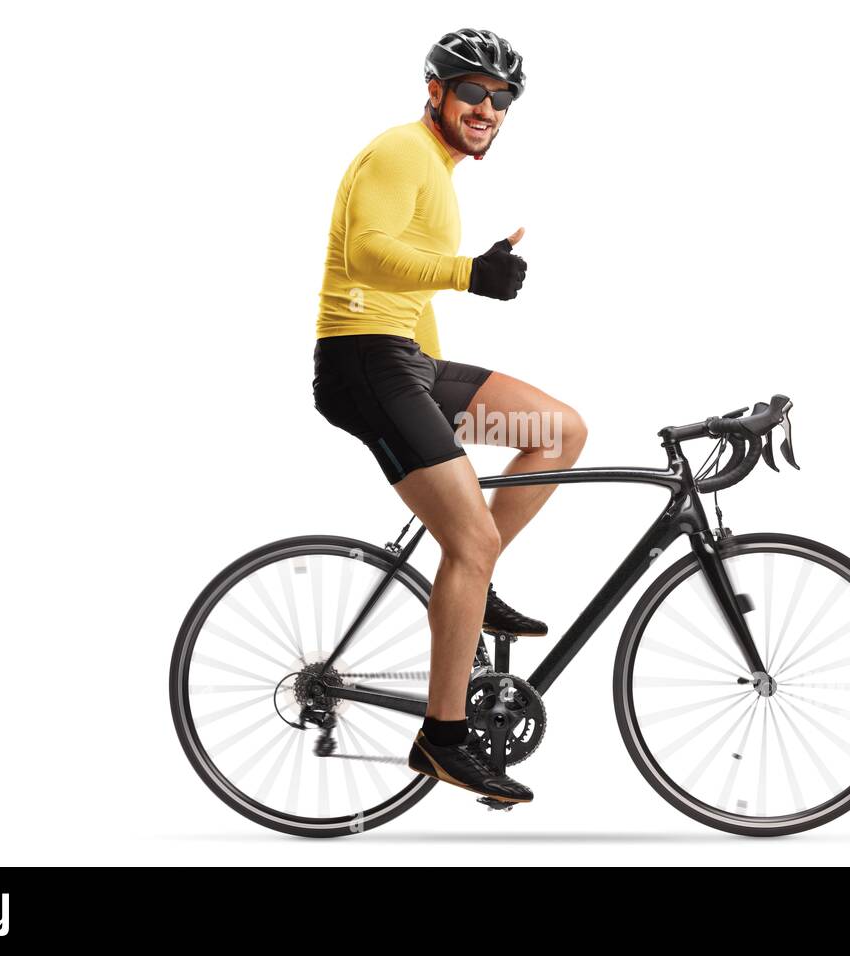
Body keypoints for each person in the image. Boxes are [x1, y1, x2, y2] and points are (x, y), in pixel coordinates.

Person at [311, 28, 586, 805]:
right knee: (469, 539)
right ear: (436, 92)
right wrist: (471, 272)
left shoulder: (436, 167)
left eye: (503, 100)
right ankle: (444, 738)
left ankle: (475, 575)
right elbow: (367, 254)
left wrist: (433, 374)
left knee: (557, 432)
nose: (488, 109)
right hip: (366, 364)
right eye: (473, 92)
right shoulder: (401, 150)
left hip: (404, 363)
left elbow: (406, 289)